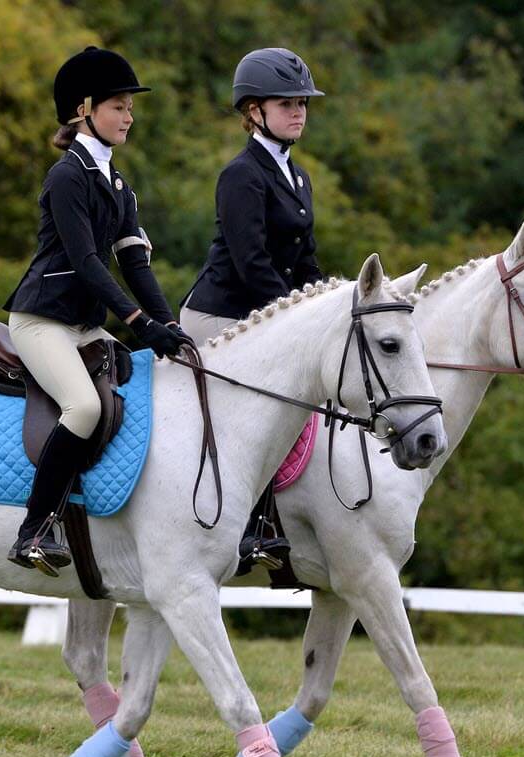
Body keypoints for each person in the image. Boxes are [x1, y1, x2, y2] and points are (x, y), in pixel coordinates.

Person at [3, 46, 189, 576]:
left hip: (84, 326)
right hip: (42, 320)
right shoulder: (67, 176)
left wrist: (168, 325)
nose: (129, 116)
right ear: (84, 109)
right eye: (119, 106)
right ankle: (34, 527)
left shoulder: (119, 186)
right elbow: (86, 261)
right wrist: (136, 322)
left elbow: (135, 265)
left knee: (144, 386)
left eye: (131, 107)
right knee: (83, 408)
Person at [180, 47, 325, 573]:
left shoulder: (299, 178)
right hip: (222, 317)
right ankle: (252, 525)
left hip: (268, 316)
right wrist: (301, 317)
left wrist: (329, 304)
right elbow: (251, 264)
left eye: (303, 103)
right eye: (287, 103)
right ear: (254, 110)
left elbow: (304, 262)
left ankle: (277, 522)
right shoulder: (241, 175)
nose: (299, 112)